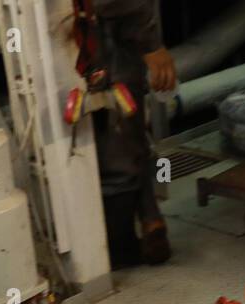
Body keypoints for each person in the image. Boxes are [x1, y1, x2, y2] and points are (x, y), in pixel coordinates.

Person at [91, 0, 177, 269]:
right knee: (126, 136)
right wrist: (150, 41)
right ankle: (149, 219)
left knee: (117, 145)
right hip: (107, 36)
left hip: (107, 38)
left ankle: (122, 248)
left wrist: (149, 41)